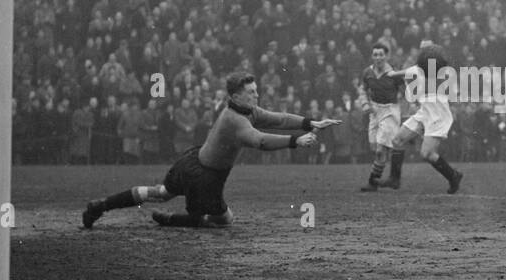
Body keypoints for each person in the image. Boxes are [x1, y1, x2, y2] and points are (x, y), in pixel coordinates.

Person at [81, 73, 339, 229]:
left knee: (160, 192)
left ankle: (102, 204)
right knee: (224, 221)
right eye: (251, 92)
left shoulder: (242, 110)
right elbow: (260, 141)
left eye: (256, 91)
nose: (256, 96)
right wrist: (296, 141)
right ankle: (174, 220)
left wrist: (310, 123)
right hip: (206, 178)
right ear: (236, 96)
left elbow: (279, 119)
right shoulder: (235, 120)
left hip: (191, 160)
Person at [382, 41, 463, 193]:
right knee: (397, 140)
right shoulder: (416, 69)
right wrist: (386, 73)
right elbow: (394, 75)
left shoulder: (443, 72)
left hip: (438, 114)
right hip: (424, 112)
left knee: (427, 154)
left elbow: (452, 91)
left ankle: (453, 176)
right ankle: (394, 179)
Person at [358, 41, 406, 191]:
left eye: (381, 54)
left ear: (386, 56)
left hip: (390, 110)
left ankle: (373, 182)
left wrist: (409, 107)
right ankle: (384, 179)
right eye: (375, 54)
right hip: (374, 111)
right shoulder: (367, 72)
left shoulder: (394, 74)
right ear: (372, 56)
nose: (378, 57)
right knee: (376, 148)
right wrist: (365, 103)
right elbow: (362, 89)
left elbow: (406, 92)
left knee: (380, 149)